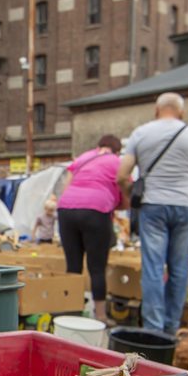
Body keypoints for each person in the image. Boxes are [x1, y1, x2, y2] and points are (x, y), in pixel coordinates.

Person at [118, 93, 188, 336]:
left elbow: (122, 175)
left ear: (156, 110)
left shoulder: (141, 133)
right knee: (180, 269)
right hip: (186, 206)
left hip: (153, 205)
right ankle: (171, 328)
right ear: (182, 112)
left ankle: (153, 329)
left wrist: (132, 196)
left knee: (153, 268)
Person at [54, 134, 124, 321]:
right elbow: (125, 186)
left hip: (66, 209)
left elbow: (66, 185)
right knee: (97, 267)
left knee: (73, 266)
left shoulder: (83, 157)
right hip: (96, 210)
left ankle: (71, 313)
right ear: (117, 150)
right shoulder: (116, 161)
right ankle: (100, 315)